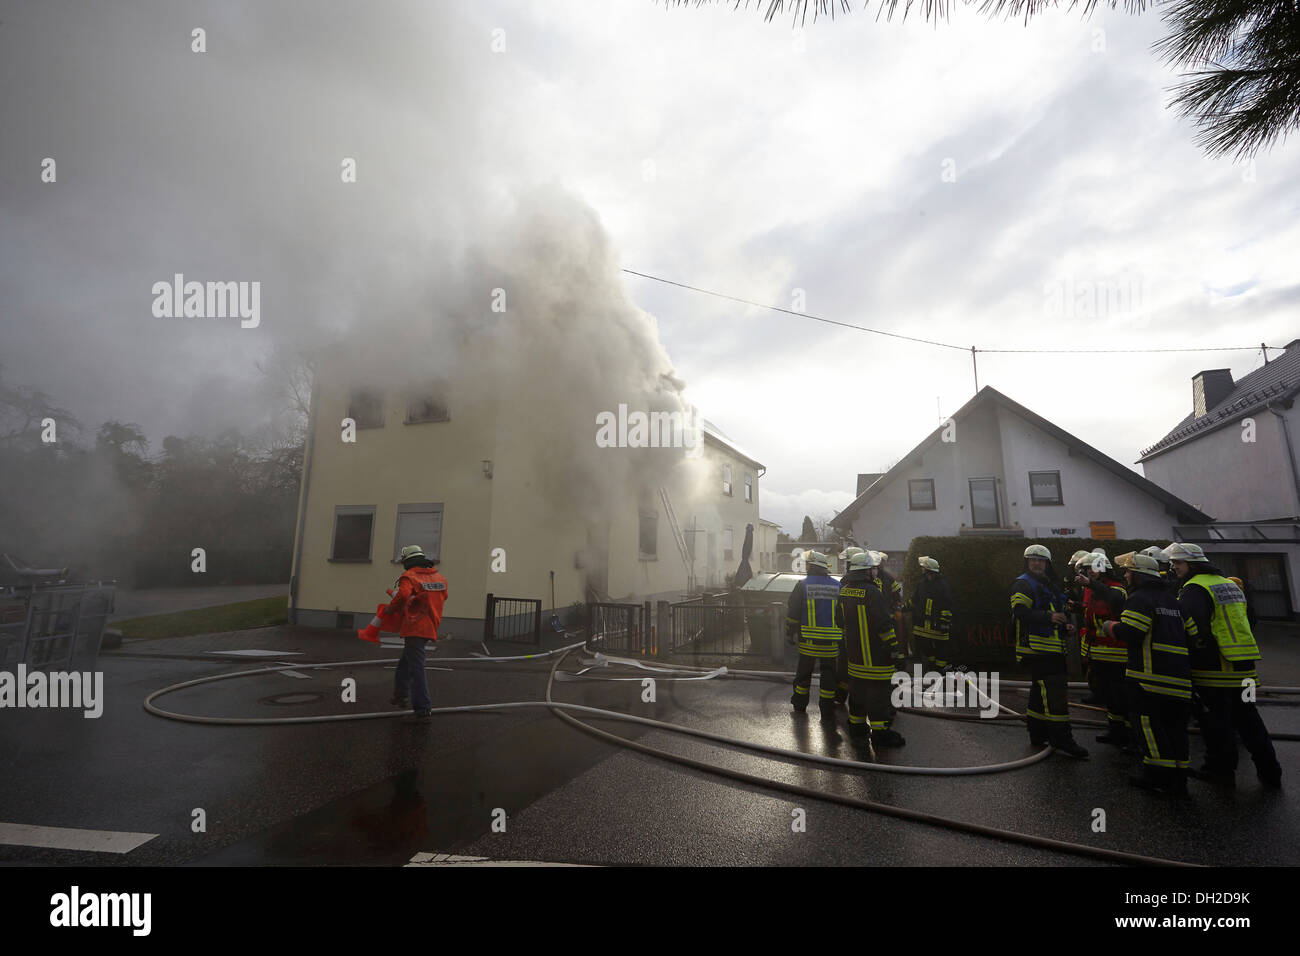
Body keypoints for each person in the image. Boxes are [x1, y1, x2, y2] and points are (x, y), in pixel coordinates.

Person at [1165, 542, 1282, 788]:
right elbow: (1249, 619)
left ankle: (1220, 770)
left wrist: (1191, 653)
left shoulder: (1194, 588)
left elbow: (1192, 627)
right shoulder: (1229, 584)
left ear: (1192, 564)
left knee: (1215, 722)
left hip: (1215, 667)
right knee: (1249, 719)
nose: (1174, 567)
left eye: (1178, 563)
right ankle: (1270, 771)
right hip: (1245, 666)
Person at [1102, 552, 1191, 795]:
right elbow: (1193, 634)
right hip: (1179, 678)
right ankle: (1179, 777)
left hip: (1148, 678)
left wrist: (1110, 627)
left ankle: (1158, 776)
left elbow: (1132, 632)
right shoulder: (1174, 600)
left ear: (1139, 576)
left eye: (1129, 571)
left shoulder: (1139, 599)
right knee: (1175, 729)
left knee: (1149, 727)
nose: (1126, 575)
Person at [1011, 545, 1088, 757]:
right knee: (1056, 693)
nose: (1036, 563)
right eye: (1032, 560)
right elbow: (1020, 612)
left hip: (1050, 649)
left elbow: (1057, 613)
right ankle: (1062, 739)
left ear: (1047, 563)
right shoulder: (1023, 584)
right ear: (1027, 562)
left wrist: (1065, 627)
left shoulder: (1049, 586)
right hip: (1036, 650)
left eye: (1041, 560)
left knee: (1039, 691)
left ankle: (1037, 733)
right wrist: (1048, 617)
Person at [835, 550, 904, 746]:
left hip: (854, 658)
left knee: (857, 692)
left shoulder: (844, 591)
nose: (876, 572)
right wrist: (894, 650)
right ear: (866, 571)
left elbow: (838, 621)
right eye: (873, 568)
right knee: (879, 694)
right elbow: (884, 626)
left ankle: (856, 726)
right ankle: (880, 733)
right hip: (876, 658)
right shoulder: (873, 592)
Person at [386, 544, 449, 721]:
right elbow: (442, 597)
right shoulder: (439, 577)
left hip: (415, 628)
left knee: (416, 668)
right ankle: (401, 695)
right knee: (405, 664)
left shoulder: (409, 576)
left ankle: (423, 706)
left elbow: (403, 595)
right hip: (430, 625)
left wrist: (391, 609)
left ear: (408, 561)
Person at [1076, 552, 1130, 747]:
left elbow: (1115, 600)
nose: (1091, 571)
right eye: (1089, 568)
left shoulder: (1117, 588)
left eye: (1095, 568)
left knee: (1121, 696)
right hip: (1099, 654)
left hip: (1118, 654)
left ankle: (1130, 735)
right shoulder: (1092, 591)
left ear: (1105, 569)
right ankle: (1116, 731)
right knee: (1109, 696)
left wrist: (1091, 584)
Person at [786, 550, 843, 721]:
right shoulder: (837, 585)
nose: (806, 566)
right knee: (829, 674)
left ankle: (800, 703)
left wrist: (790, 632)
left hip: (809, 639)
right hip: (832, 640)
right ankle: (826, 707)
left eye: (808, 563)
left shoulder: (802, 585)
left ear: (812, 566)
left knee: (804, 672)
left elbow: (793, 612)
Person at [832, 546, 866, 706]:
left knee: (845, 665)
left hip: (848, 634)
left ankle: (841, 695)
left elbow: (839, 612)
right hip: (867, 634)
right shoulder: (872, 581)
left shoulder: (846, 582)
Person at [910, 556, 954, 671]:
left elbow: (947, 604)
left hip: (937, 624)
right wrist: (905, 607)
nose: (922, 569)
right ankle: (932, 662)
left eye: (923, 567)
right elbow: (914, 599)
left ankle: (940, 669)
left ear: (929, 570)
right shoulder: (922, 583)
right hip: (922, 625)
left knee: (941, 649)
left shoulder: (942, 585)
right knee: (923, 644)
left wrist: (944, 622)